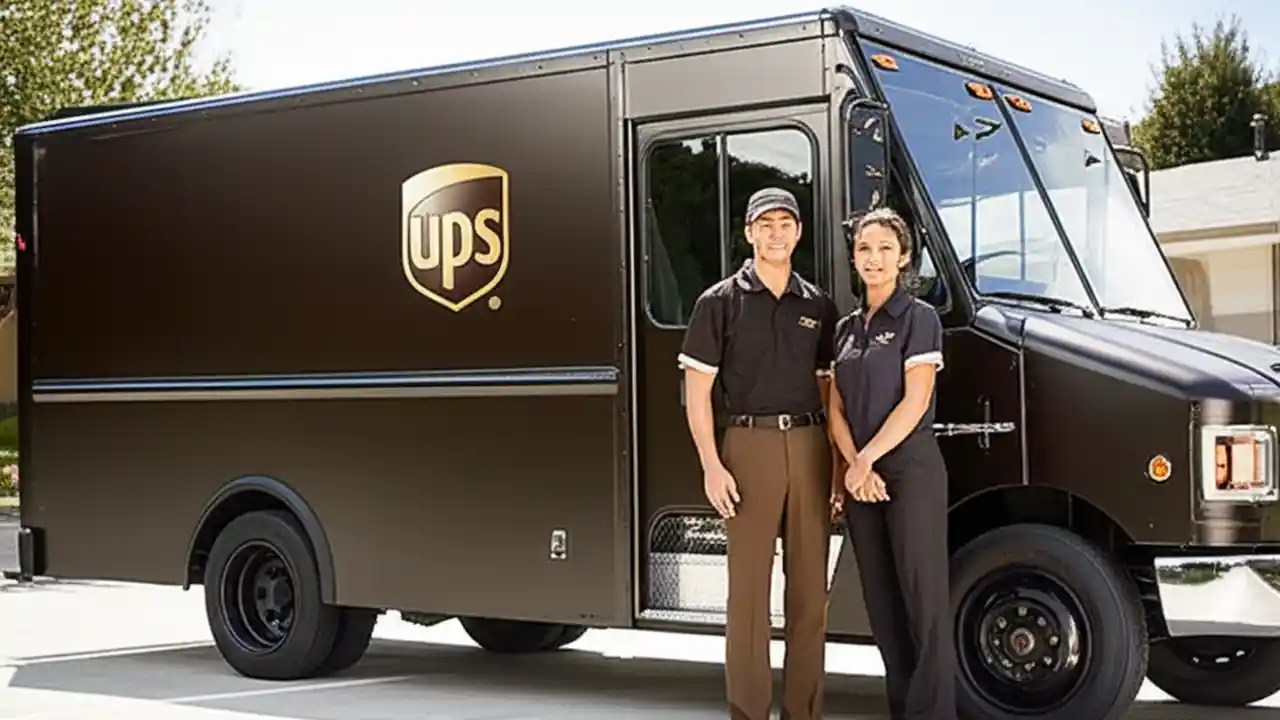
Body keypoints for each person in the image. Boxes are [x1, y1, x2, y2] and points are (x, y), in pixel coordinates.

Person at [678, 186, 840, 720]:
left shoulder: (818, 304)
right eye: (764, 223)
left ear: (798, 232)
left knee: (810, 596)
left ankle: (804, 711)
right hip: (746, 447)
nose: (776, 232)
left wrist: (837, 467)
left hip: (812, 445)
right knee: (747, 597)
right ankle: (747, 712)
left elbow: (827, 391)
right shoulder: (718, 302)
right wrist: (711, 464)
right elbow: (697, 391)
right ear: (749, 233)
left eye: (785, 223)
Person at [826, 207, 955, 720]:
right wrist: (855, 469)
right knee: (882, 605)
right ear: (854, 258)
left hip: (910, 472)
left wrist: (868, 460)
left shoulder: (919, 318)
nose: (874, 258)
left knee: (923, 602)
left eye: (885, 249)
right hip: (863, 476)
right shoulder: (844, 329)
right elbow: (833, 406)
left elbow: (915, 401)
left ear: (903, 257)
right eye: (864, 249)